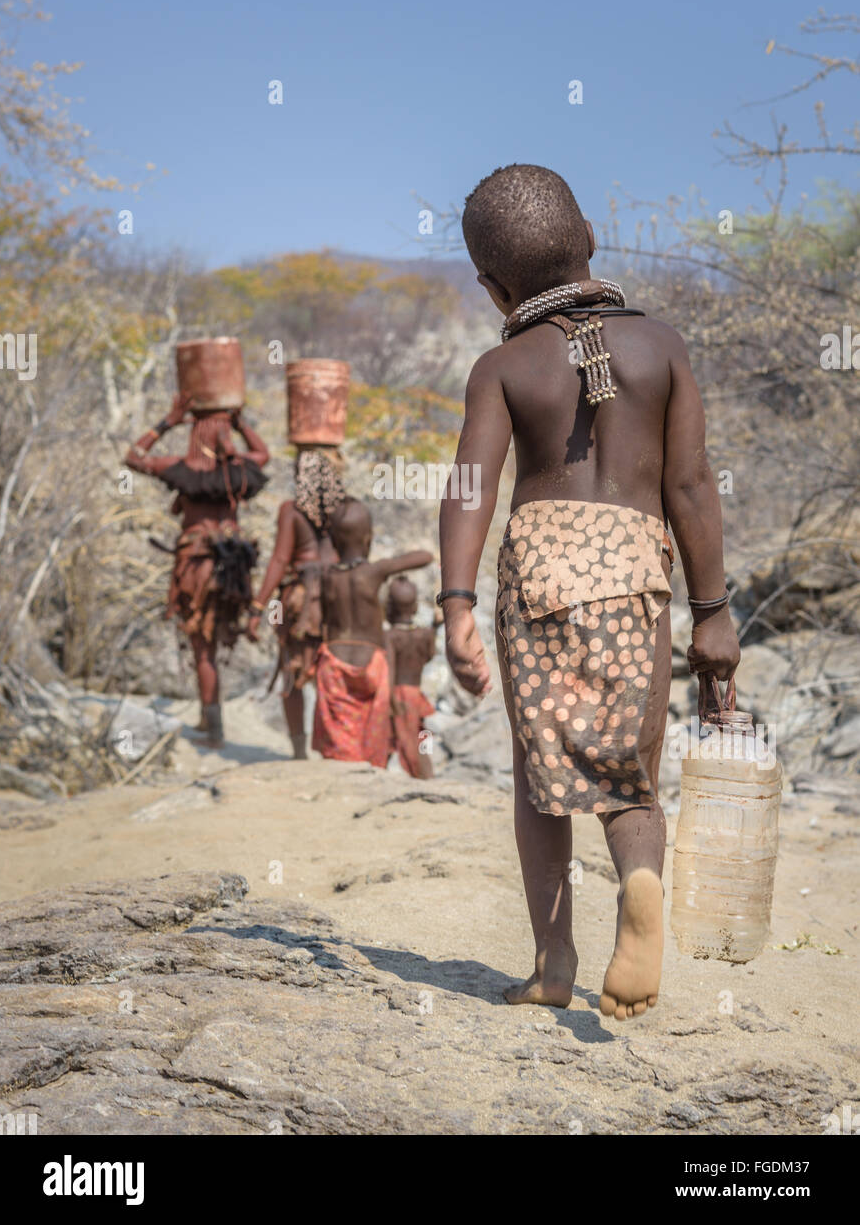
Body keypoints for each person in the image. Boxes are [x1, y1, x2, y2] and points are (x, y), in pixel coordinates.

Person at [438, 164, 740, 1019]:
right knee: (628, 771)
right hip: (636, 571)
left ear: (492, 284)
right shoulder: (660, 346)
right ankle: (638, 882)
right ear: (592, 243)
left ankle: (552, 963)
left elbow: (470, 489)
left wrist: (455, 604)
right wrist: (712, 614)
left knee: (542, 773)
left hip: (539, 569)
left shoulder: (503, 364)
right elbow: (690, 488)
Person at [125, 391, 270, 747]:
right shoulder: (238, 471)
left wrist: (168, 422)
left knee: (202, 646)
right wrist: (240, 424)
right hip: (232, 566)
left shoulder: (183, 469)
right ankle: (211, 718)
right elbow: (264, 454)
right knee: (213, 640)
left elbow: (134, 457)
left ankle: (213, 724)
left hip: (196, 567)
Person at [312, 499, 432, 768]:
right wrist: (389, 564)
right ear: (368, 539)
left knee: (338, 729)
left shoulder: (328, 576)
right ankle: (374, 766)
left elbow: (321, 619)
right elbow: (425, 556)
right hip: (371, 662)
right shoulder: (374, 571)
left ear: (333, 542)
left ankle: (341, 765)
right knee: (374, 727)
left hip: (334, 659)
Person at [247, 448, 347, 758]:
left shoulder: (290, 510)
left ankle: (300, 752)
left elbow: (279, 560)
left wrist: (258, 606)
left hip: (300, 600)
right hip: (336, 597)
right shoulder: (343, 511)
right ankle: (333, 747)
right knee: (331, 672)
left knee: (293, 671)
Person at [384, 576, 439, 779]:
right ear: (415, 607)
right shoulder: (423, 634)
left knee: (396, 740)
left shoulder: (391, 636)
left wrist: (390, 700)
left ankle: (420, 776)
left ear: (388, 608)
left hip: (397, 693)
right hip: (417, 694)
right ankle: (427, 774)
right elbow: (430, 655)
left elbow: (389, 671)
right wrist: (435, 627)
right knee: (420, 737)